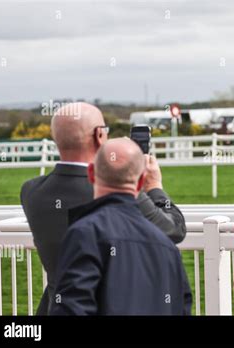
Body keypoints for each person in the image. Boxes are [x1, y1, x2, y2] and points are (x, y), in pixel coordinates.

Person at [20, 102, 186, 315]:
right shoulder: (117, 189)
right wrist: (154, 186)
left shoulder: (32, 191)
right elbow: (173, 229)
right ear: (99, 135)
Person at [49, 138, 192, 315]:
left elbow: (71, 308)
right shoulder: (167, 246)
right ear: (140, 183)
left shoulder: (84, 233)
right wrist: (155, 186)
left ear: (91, 173)